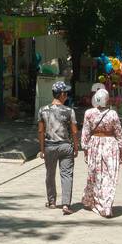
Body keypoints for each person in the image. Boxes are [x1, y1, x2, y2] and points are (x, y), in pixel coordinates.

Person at [80, 87, 122, 218]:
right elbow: (118, 132)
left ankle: (95, 201)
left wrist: (85, 149)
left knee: (95, 174)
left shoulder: (88, 113)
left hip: (94, 145)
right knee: (109, 175)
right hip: (110, 145)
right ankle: (106, 205)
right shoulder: (113, 114)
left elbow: (85, 132)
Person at [37, 80, 80, 214]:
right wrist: (76, 147)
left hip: (49, 147)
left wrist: (42, 149)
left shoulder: (42, 110)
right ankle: (66, 204)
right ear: (61, 94)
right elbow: (74, 131)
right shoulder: (69, 111)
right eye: (65, 93)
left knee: (50, 174)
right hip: (66, 147)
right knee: (67, 175)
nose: (67, 95)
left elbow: (40, 131)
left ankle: (52, 202)